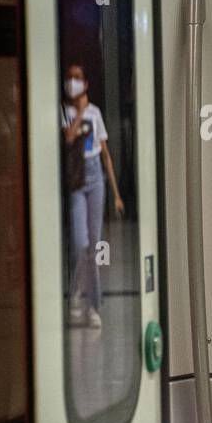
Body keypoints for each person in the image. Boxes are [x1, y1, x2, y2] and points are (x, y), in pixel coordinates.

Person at [61, 64, 124, 329]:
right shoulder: (63, 112)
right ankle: (76, 291)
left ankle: (93, 305)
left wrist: (116, 193)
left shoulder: (96, 113)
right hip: (77, 179)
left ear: (86, 83)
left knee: (94, 246)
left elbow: (105, 153)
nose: (73, 82)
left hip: (96, 176)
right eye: (70, 78)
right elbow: (69, 138)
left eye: (77, 78)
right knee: (80, 243)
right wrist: (80, 112)